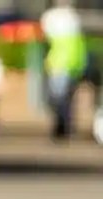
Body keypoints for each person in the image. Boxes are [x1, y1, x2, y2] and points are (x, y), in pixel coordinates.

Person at [41, 0, 88, 140]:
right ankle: (65, 126)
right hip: (70, 66)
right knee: (66, 99)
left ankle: (61, 127)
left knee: (59, 99)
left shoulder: (52, 18)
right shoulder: (73, 19)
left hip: (59, 66)